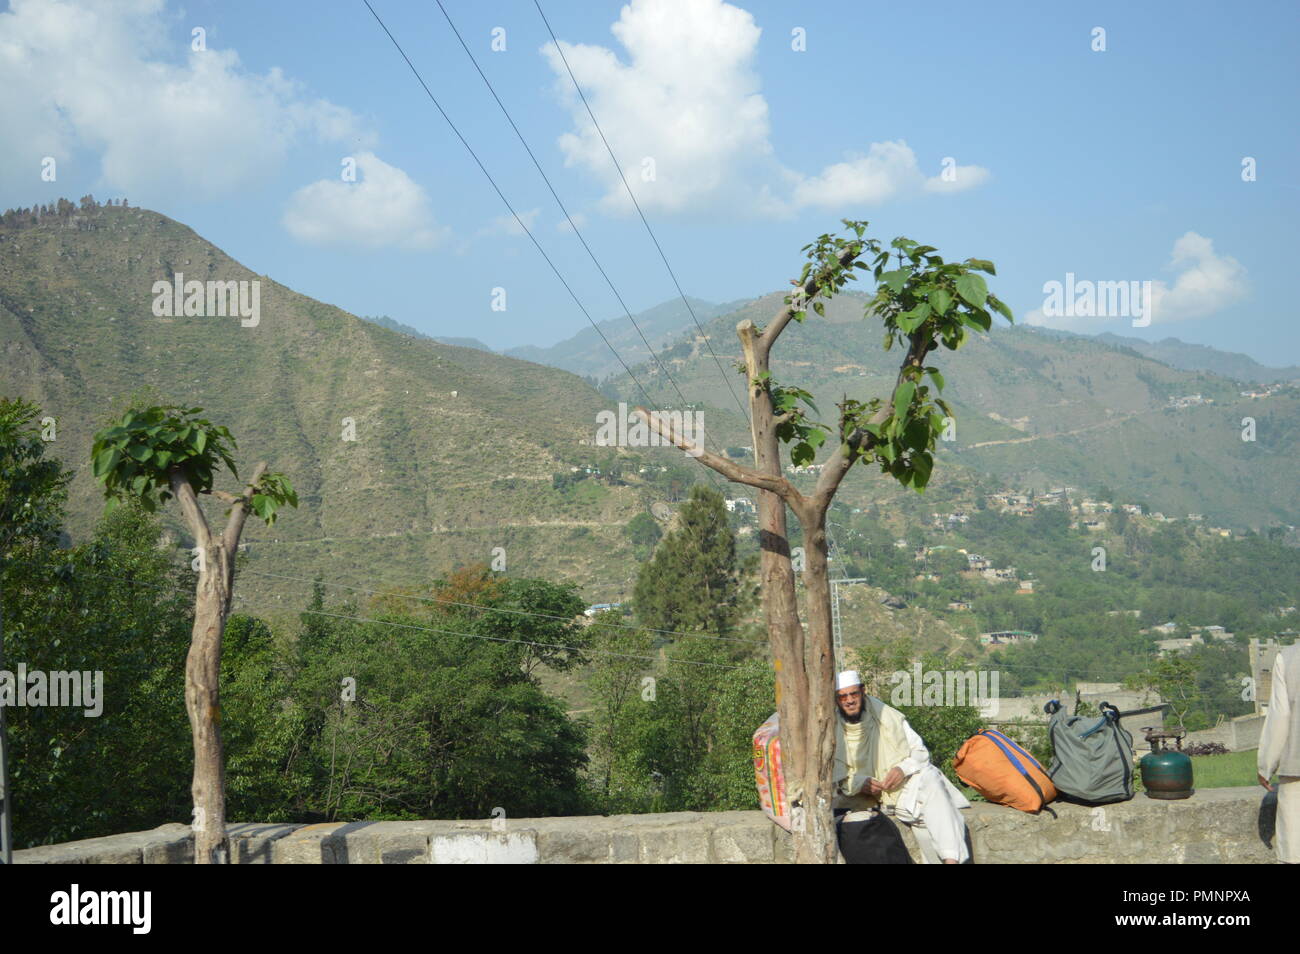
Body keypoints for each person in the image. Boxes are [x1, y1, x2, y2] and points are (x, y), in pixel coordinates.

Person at [834, 669, 971, 864]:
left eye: (853, 693)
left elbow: (920, 752)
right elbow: (829, 770)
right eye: (842, 696)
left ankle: (951, 860)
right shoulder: (829, 726)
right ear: (836, 700)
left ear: (863, 691)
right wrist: (858, 783)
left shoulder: (886, 716)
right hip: (853, 798)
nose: (849, 700)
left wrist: (901, 769)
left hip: (895, 791)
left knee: (930, 776)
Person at [1258, 641, 1300, 863]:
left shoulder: (1290, 658)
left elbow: (1279, 717)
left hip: (1297, 771)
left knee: (1295, 849)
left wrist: (1266, 766)